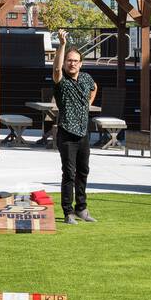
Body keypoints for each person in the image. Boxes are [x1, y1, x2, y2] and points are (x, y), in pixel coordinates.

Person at [52, 28, 98, 224]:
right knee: (69, 173)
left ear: (81, 63)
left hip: (83, 133)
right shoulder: (60, 80)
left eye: (75, 60)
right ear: (65, 62)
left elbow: (95, 87)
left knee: (83, 171)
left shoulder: (86, 78)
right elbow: (55, 70)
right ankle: (68, 211)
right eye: (69, 60)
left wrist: (88, 103)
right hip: (66, 133)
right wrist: (62, 45)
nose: (72, 63)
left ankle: (82, 208)